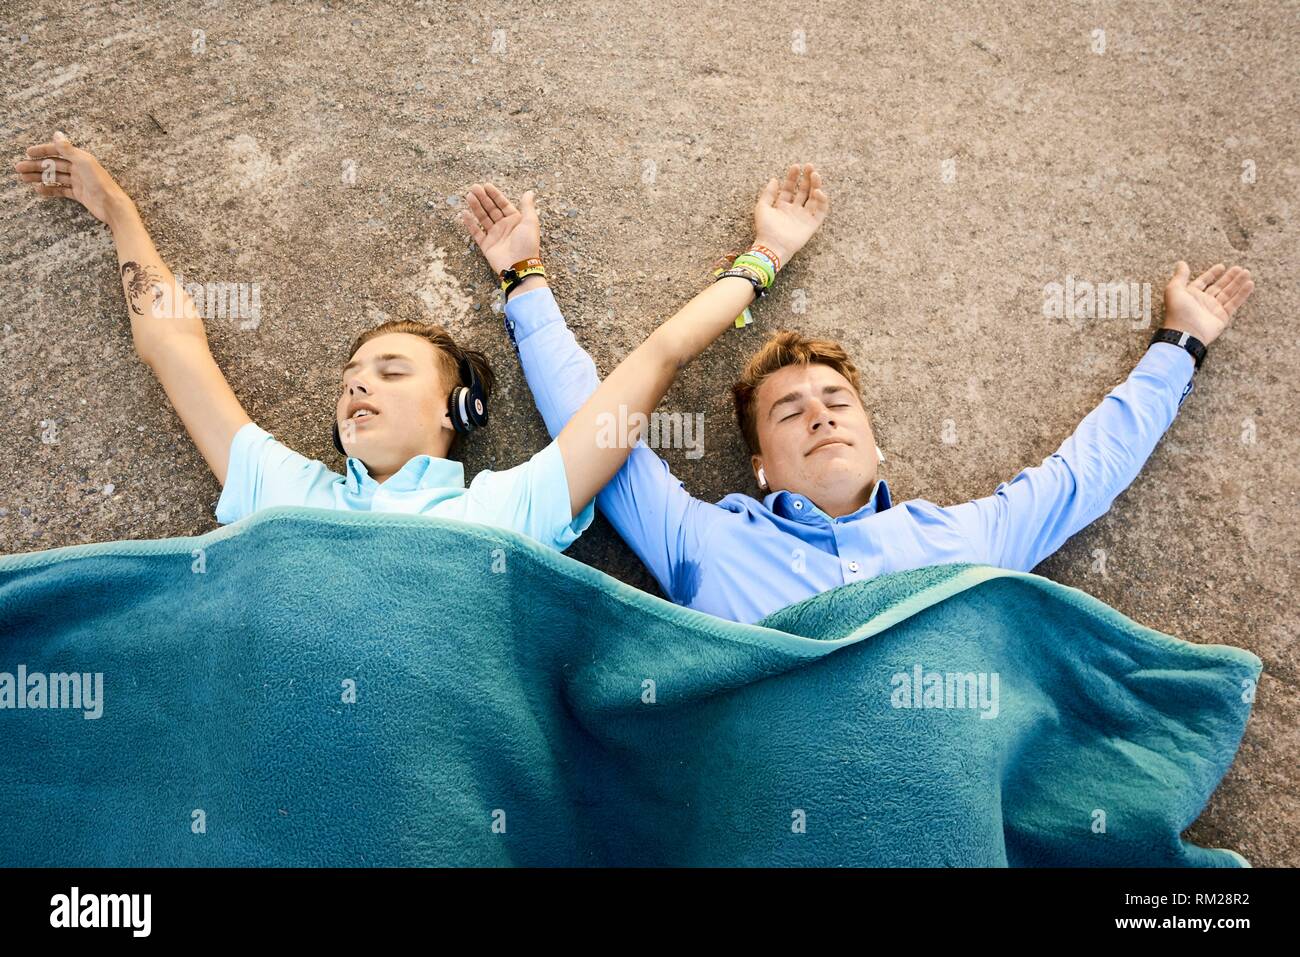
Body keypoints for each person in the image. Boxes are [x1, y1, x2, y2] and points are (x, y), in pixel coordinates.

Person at [470, 164, 1256, 624]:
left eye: (838, 403)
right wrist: (523, 279)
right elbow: (595, 423)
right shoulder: (703, 541)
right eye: (790, 410)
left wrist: (1178, 346)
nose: (819, 412)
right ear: (760, 469)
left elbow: (1088, 470)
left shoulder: (962, 542)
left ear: (878, 443)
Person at [14, 133, 828, 559]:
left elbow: (656, 358)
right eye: (350, 377)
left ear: (460, 409)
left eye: (388, 369)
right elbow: (173, 346)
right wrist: (115, 207)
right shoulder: (285, 489)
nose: (354, 388)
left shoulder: (507, 507)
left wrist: (765, 257)